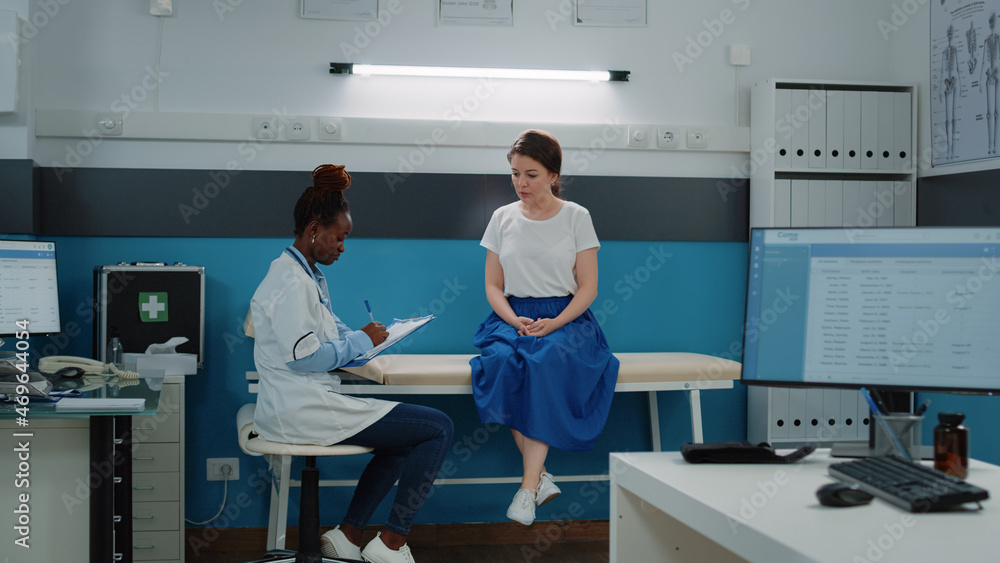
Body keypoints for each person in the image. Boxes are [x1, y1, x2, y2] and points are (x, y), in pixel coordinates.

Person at [250, 164, 454, 563]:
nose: (342, 247)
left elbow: (328, 334)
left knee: (408, 438)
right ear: (314, 230)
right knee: (437, 428)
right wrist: (362, 339)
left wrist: (369, 339)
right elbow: (306, 357)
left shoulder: (306, 275)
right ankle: (391, 544)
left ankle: (348, 536)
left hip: (308, 401)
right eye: (339, 237)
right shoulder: (289, 282)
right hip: (300, 409)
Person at [470, 130, 620, 526]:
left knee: (544, 360)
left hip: (566, 318)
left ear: (553, 175)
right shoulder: (502, 218)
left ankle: (525, 487)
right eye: (515, 174)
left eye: (531, 175)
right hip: (513, 316)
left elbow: (588, 287)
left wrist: (554, 322)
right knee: (502, 361)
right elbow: (492, 285)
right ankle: (539, 477)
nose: (521, 183)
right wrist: (512, 319)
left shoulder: (576, 217)